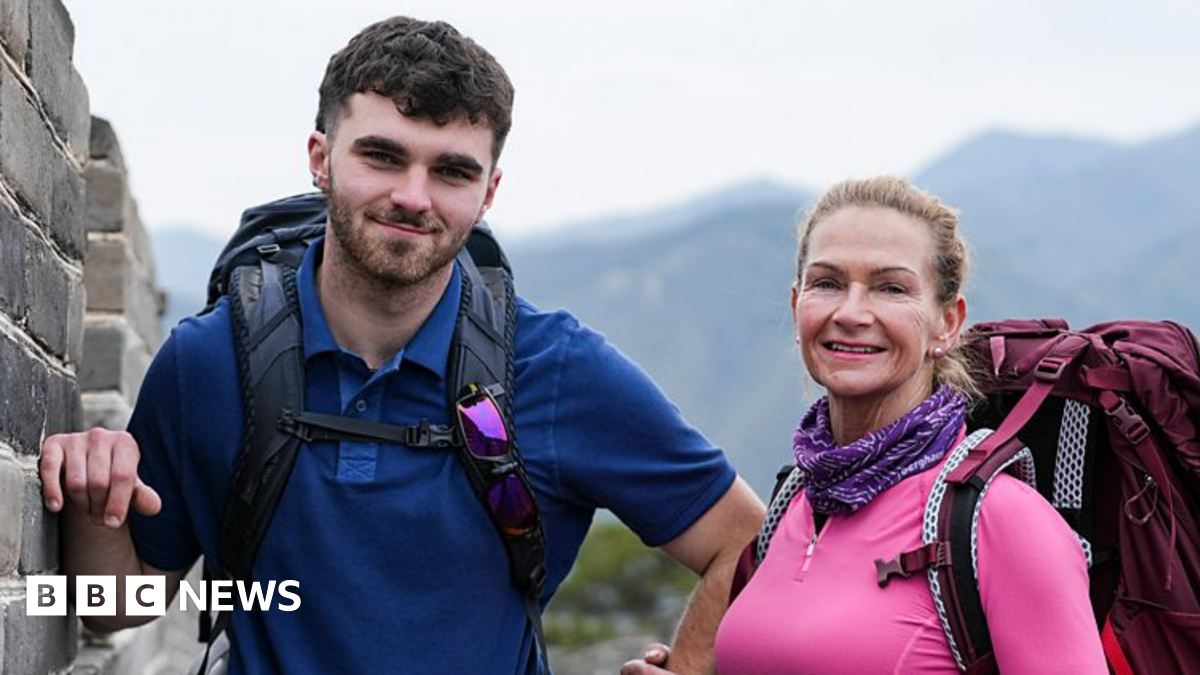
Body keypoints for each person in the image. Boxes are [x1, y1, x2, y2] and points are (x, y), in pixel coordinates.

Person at [38, 16, 763, 675]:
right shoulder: (210, 363)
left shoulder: (554, 370)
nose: (414, 196)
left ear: (490, 193)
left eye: (452, 170)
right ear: (320, 158)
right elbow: (114, 605)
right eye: (383, 156)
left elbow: (747, 541)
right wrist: (90, 495)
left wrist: (693, 664)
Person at [625, 176, 1107, 674]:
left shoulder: (1002, 521)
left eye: (891, 288)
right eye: (827, 283)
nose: (851, 312)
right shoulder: (795, 500)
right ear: (797, 307)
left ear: (947, 323)